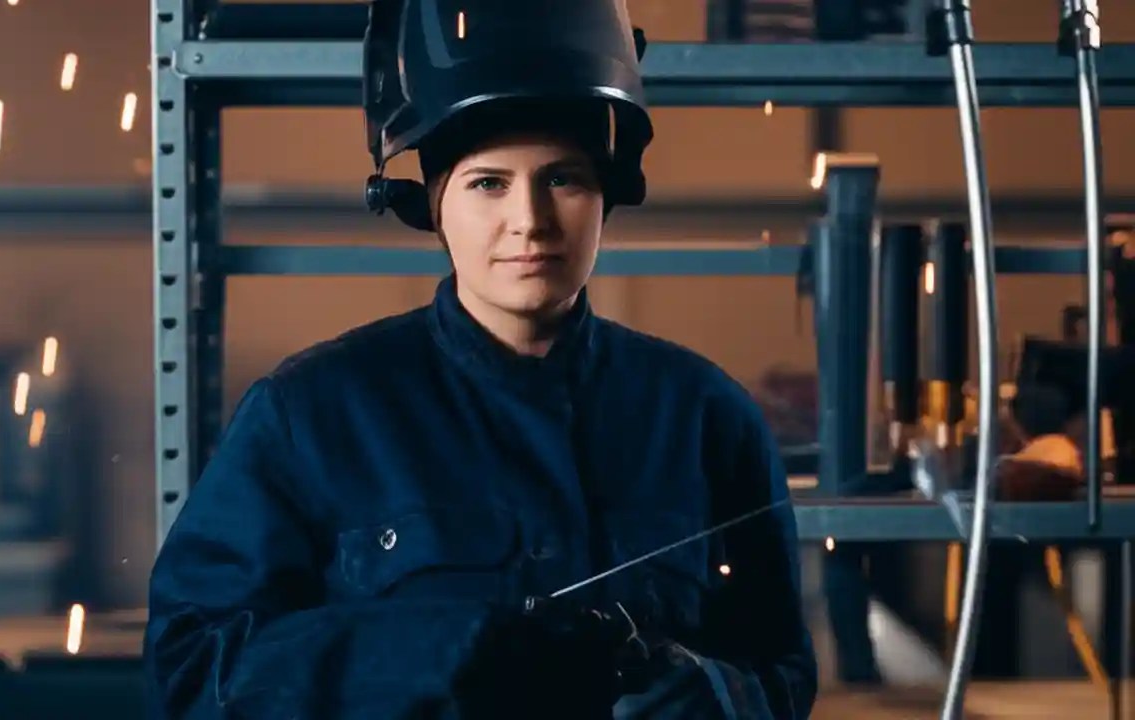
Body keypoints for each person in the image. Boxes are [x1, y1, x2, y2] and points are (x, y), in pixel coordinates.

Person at [143, 1, 817, 717]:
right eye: (488, 183)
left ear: (607, 197)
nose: (529, 220)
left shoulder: (705, 416)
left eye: (564, 178)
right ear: (434, 205)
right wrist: (444, 653)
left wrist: (720, 696)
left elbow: (783, 667)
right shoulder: (314, 414)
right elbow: (193, 670)